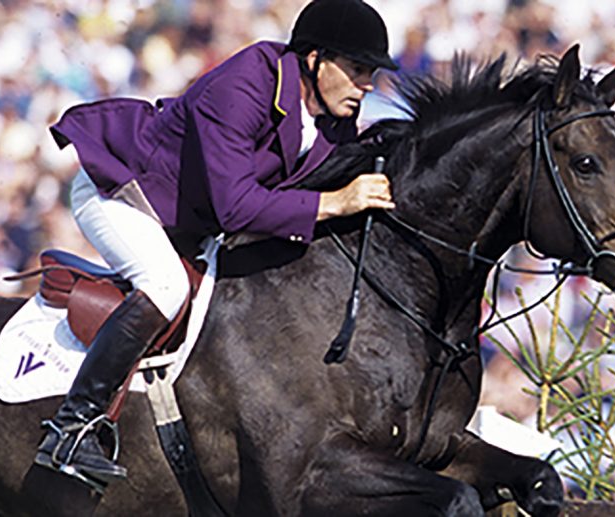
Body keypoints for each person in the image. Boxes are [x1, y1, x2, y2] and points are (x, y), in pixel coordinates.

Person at [34, 0, 398, 484]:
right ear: (315, 58)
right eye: (357, 70)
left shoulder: (332, 118)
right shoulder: (244, 83)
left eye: (370, 73)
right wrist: (335, 203)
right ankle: (71, 428)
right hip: (125, 191)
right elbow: (237, 206)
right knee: (165, 286)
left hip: (190, 222)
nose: (366, 86)